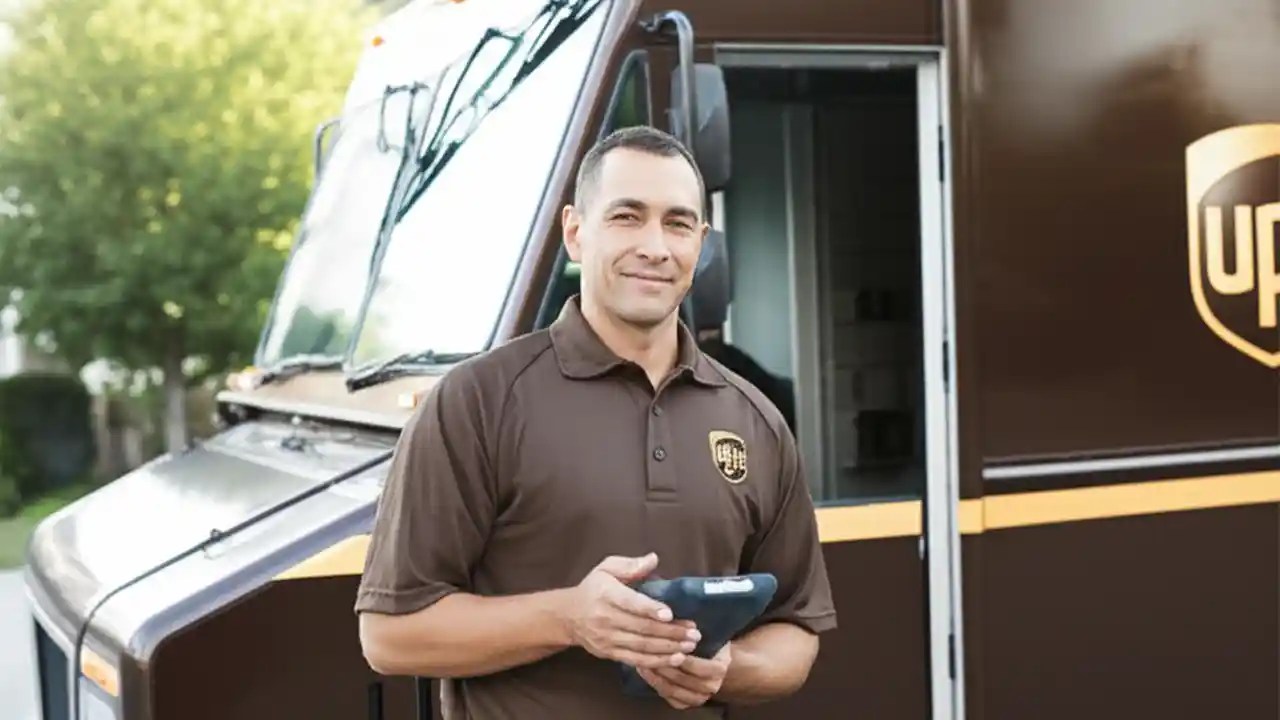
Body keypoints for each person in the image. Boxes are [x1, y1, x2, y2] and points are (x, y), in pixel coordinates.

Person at [354, 126, 836, 719]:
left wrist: (727, 669)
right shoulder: (477, 401)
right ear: (576, 233)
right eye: (627, 217)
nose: (656, 247)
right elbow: (389, 636)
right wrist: (571, 618)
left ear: (701, 243)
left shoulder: (755, 419)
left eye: (678, 223)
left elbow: (795, 633)